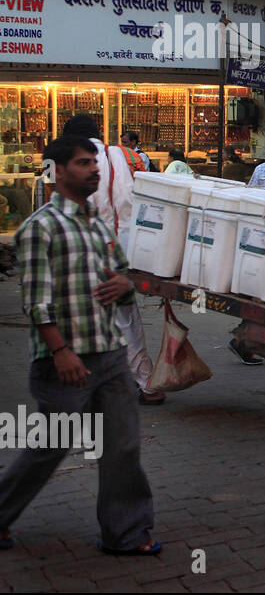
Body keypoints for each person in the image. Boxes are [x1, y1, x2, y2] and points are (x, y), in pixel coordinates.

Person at [0, 136, 159, 556]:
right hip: (64, 363)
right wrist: (59, 350)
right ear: (58, 171)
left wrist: (125, 284)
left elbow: (124, 280)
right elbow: (35, 301)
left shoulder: (99, 226)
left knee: (122, 445)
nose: (94, 169)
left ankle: (125, 533)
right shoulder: (40, 228)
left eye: (94, 162)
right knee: (49, 448)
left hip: (110, 355)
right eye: (83, 162)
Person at [62, 115, 161, 406]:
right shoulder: (122, 153)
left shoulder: (70, 161)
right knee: (124, 316)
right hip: (129, 246)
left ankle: (136, 382)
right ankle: (142, 382)